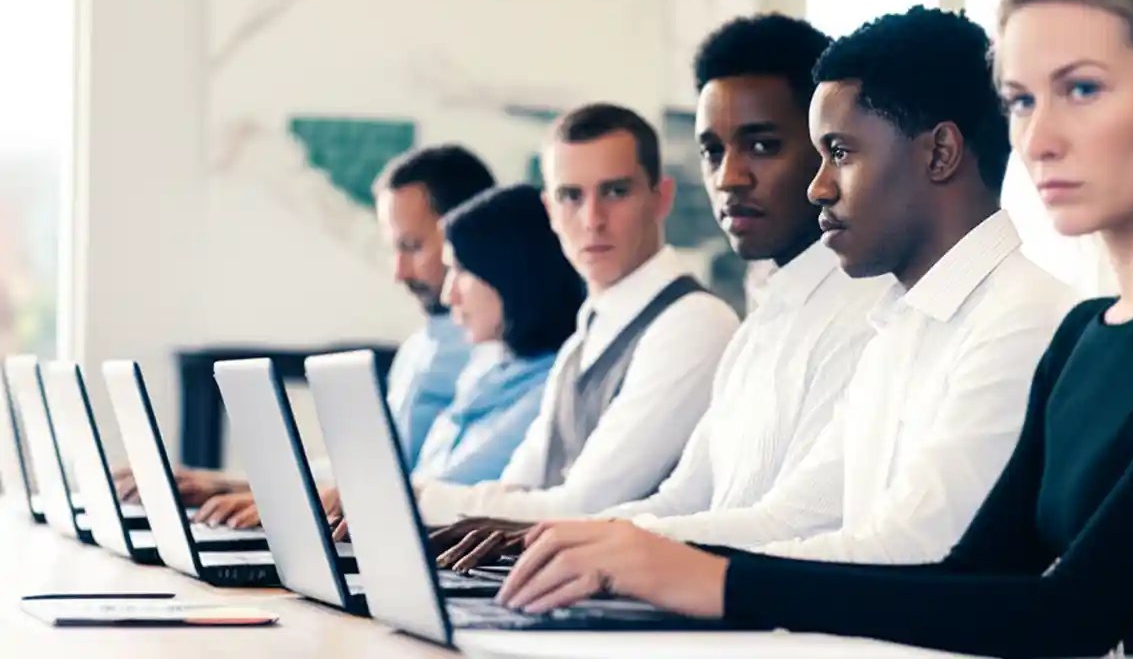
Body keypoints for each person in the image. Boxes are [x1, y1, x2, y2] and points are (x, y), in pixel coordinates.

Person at [496, 0, 1133, 656]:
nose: (1039, 139)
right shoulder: (1084, 335)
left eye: (1080, 89)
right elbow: (970, 575)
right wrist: (652, 561)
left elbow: (1067, 613)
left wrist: (710, 580)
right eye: (1021, 100)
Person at [496, 2, 1074, 596]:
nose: (819, 185)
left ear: (940, 153)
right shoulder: (897, 326)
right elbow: (786, 517)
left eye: (840, 154)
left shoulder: (1023, 320)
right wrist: (588, 541)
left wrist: (679, 574)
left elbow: (917, 551)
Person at [432, 14, 892, 571]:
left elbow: (790, 523)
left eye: (763, 146)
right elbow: (682, 497)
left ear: (826, 149)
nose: (728, 178)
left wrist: (573, 535)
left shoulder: (864, 315)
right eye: (712, 152)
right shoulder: (761, 321)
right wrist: (548, 534)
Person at [117, 146, 496, 525]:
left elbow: (417, 490)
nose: (398, 271)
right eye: (393, 248)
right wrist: (232, 485)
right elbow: (368, 472)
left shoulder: (494, 353)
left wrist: (269, 496)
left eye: (412, 247)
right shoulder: (420, 347)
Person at [402, 104, 740, 528]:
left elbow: (582, 508)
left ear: (661, 198)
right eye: (571, 196)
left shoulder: (691, 325)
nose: (592, 220)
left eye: (616, 192)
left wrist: (412, 499)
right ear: (550, 211)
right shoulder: (590, 329)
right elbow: (517, 486)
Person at [412, 184, 583, 483]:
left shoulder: (549, 391)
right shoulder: (486, 368)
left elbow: (449, 486)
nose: (448, 295)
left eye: (462, 271)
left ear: (508, 275)